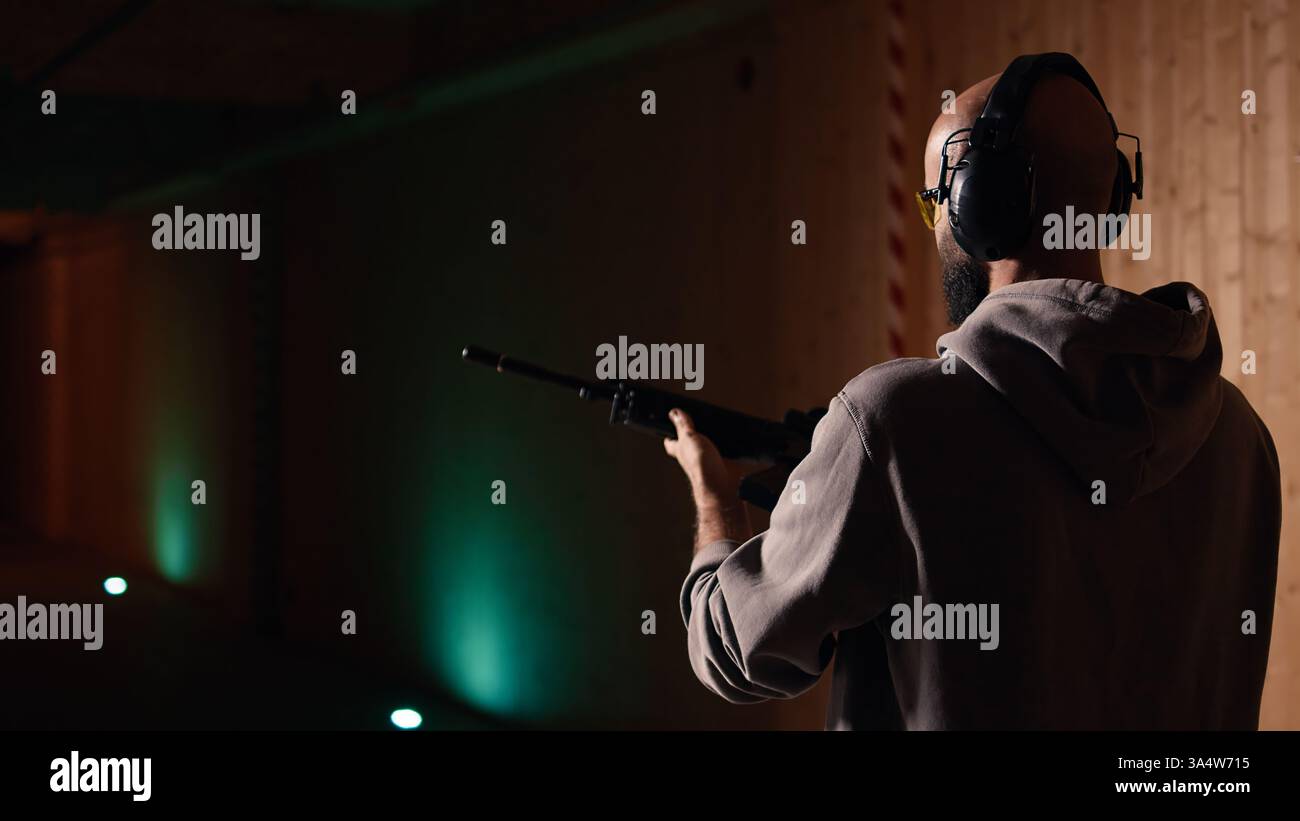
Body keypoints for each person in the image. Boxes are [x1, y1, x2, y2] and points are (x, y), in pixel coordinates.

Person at [664, 55, 1282, 729]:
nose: (934, 224)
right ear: (1110, 201)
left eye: (934, 201)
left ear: (975, 204)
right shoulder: (1242, 439)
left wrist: (717, 504)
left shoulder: (893, 420)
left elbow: (735, 648)